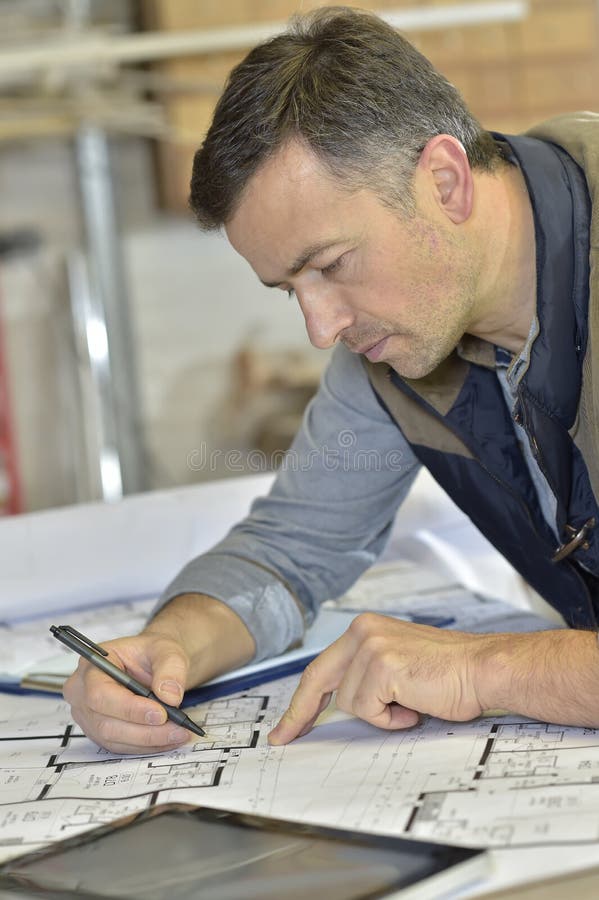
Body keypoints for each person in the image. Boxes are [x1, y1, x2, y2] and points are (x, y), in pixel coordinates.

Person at [64, 6, 599, 754]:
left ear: (444, 182)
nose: (321, 329)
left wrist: (485, 670)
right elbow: (291, 549)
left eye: (331, 265)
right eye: (290, 288)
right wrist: (167, 647)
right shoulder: (399, 340)